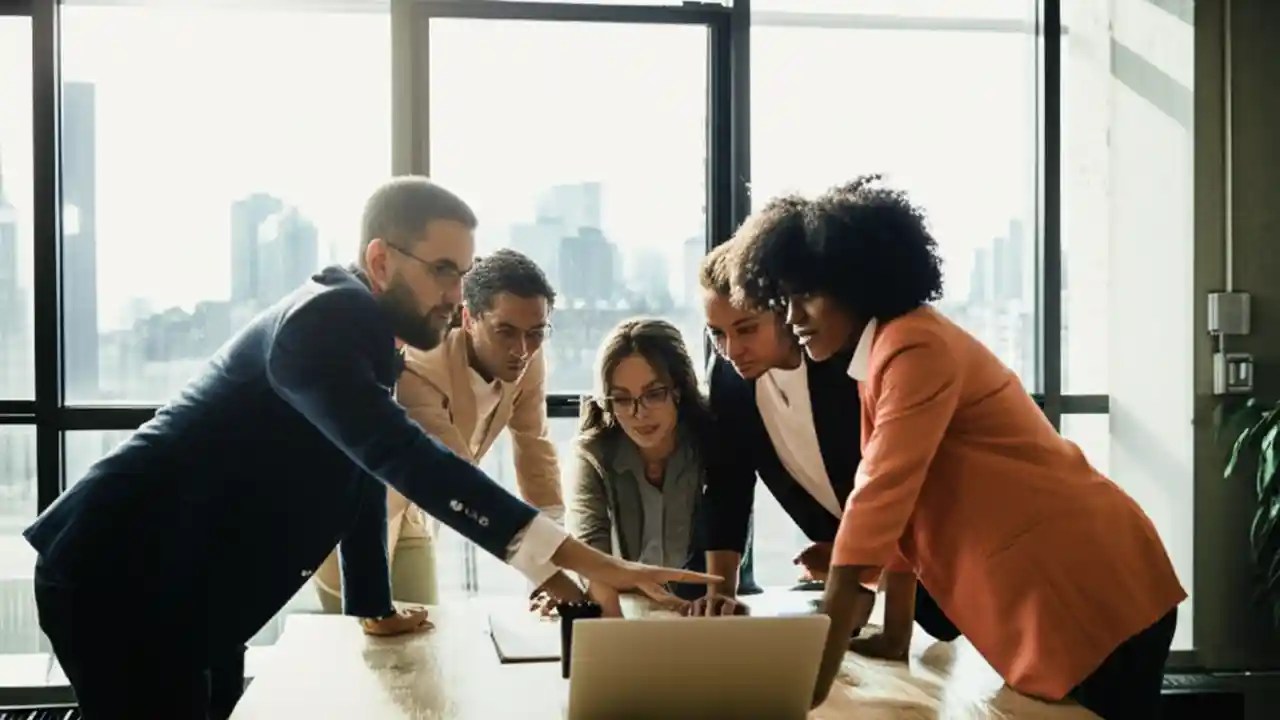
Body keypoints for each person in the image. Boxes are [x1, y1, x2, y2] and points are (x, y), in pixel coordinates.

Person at [23, 176, 717, 719]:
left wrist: (371, 607)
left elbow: (357, 467)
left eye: (464, 272)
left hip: (187, 589)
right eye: (444, 271)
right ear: (381, 259)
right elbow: (407, 461)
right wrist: (586, 559)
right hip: (122, 576)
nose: (457, 294)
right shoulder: (326, 318)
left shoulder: (364, 336)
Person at [726, 175, 1185, 719]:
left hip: (1092, 582)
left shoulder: (914, 346)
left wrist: (807, 691)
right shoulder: (882, 358)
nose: (793, 317)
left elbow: (878, 500)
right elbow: (898, 516)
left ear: (855, 283)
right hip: (1065, 588)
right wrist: (894, 635)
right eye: (786, 299)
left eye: (806, 296)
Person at [687, 224, 960, 655]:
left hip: (940, 546)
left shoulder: (848, 364)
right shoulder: (729, 378)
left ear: (781, 310)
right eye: (717, 334)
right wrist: (721, 595)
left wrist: (889, 628)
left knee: (952, 627)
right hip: (863, 562)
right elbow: (726, 483)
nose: (731, 348)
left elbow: (899, 490)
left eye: (745, 328)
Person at [312, 248, 566, 610]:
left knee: (421, 643)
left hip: (415, 511)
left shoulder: (528, 356)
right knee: (366, 649)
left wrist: (551, 560)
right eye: (505, 332)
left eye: (536, 332)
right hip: (355, 521)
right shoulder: (421, 364)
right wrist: (557, 577)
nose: (522, 350)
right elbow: (458, 479)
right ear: (469, 317)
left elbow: (534, 447)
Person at [568, 319, 716, 610]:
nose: (639, 414)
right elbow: (589, 559)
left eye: (654, 394)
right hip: (626, 608)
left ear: (679, 389)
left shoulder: (711, 442)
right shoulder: (592, 454)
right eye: (622, 400)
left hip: (703, 611)